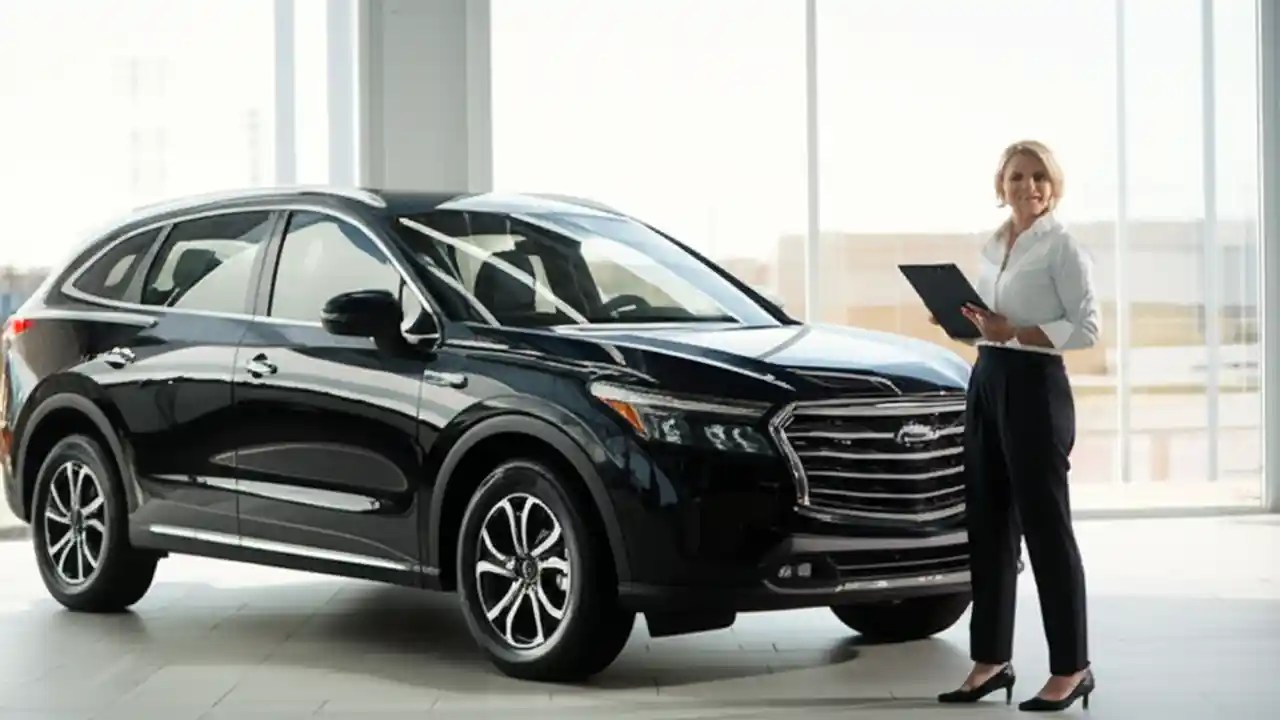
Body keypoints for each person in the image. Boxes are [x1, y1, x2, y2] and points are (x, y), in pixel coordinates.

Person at [935, 140, 1099, 712]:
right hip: (986, 380)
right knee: (988, 526)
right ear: (1000, 186)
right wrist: (964, 322)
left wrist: (1015, 332)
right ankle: (990, 662)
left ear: (1053, 186)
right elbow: (994, 325)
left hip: (1035, 387)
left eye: (1038, 177)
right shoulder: (994, 246)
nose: (1028, 187)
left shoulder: (1063, 247)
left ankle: (1072, 667)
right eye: (1017, 178)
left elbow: (1087, 328)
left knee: (1046, 530)